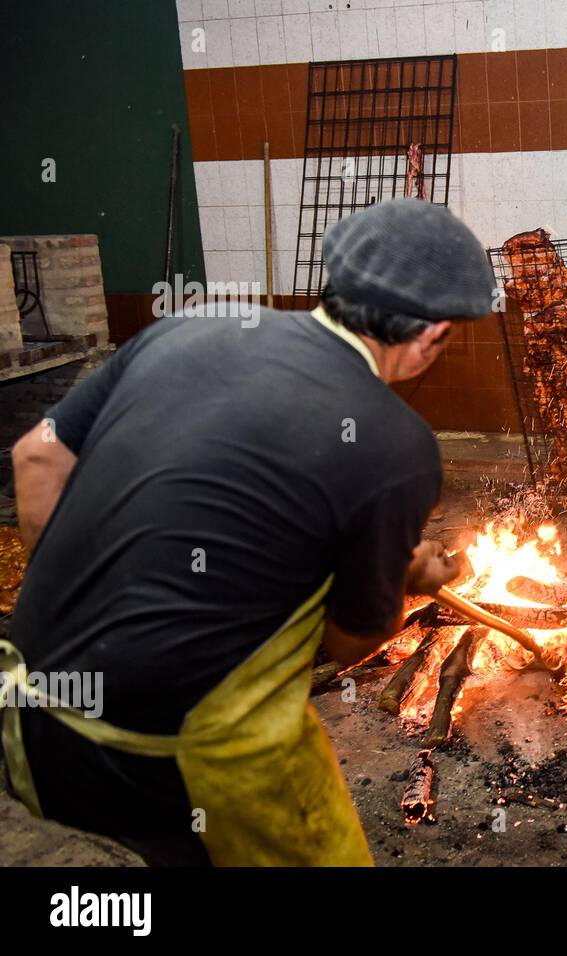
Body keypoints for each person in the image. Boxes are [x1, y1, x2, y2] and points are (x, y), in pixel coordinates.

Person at [1, 199, 495, 865]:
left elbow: (36, 456)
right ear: (433, 333)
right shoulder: (395, 445)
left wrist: (93, 601)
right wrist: (406, 578)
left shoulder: (186, 328)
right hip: (180, 758)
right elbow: (348, 642)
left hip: (30, 722)